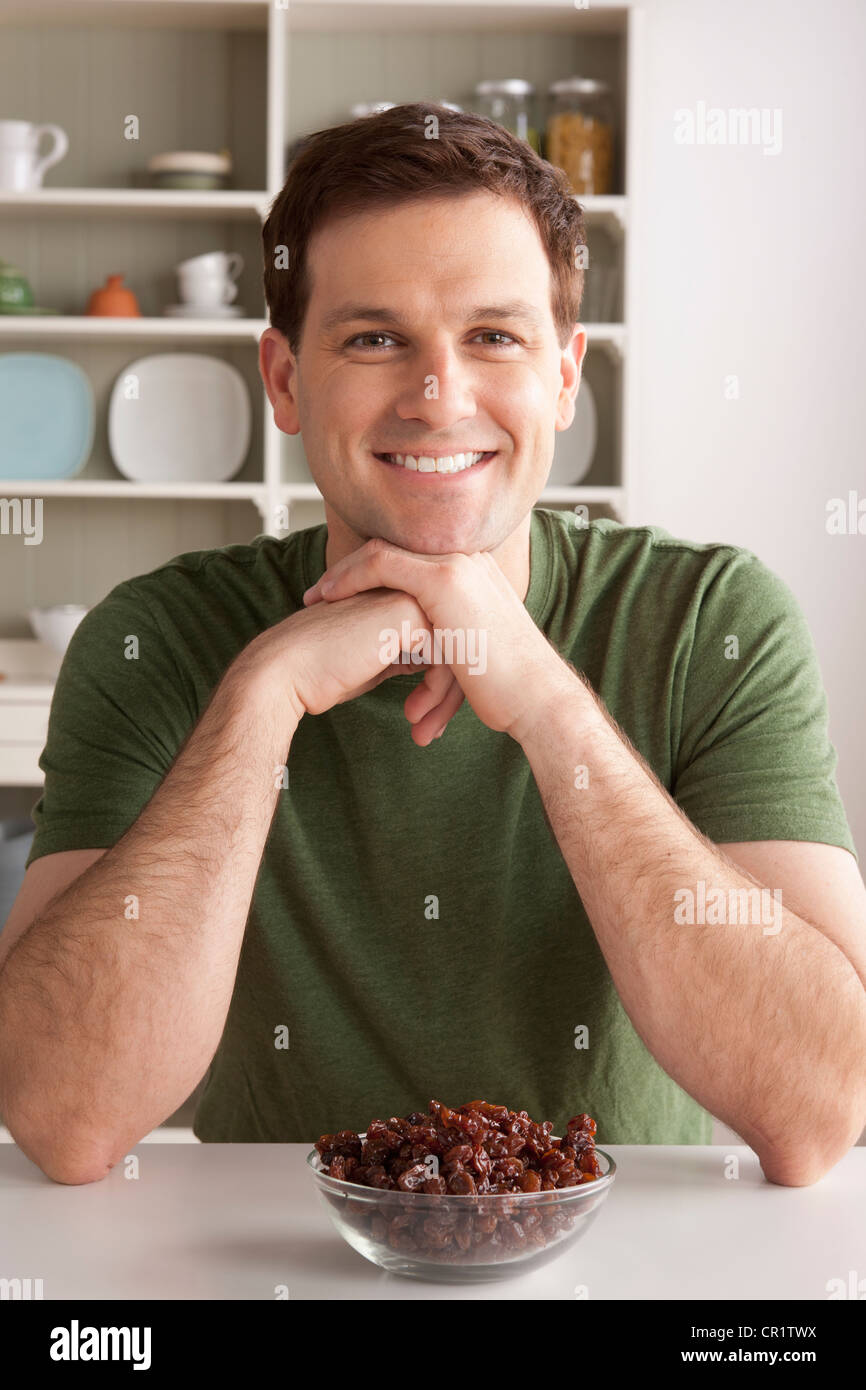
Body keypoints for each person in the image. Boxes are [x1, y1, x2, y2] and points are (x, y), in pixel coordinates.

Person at [1, 105, 864, 1188]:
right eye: (373, 338)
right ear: (283, 379)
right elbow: (62, 1115)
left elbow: (818, 1107)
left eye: (493, 336)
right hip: (264, 1262)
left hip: (620, 1268)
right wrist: (262, 696)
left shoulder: (713, 622)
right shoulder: (158, 639)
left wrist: (547, 702)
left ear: (562, 374)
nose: (434, 396)